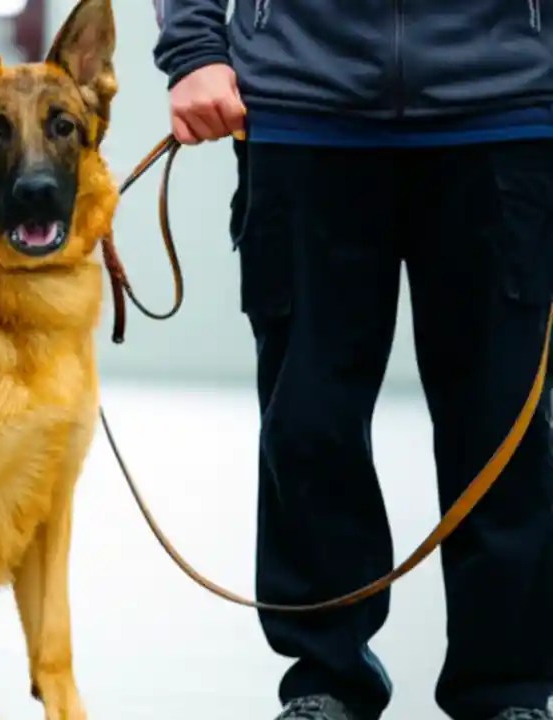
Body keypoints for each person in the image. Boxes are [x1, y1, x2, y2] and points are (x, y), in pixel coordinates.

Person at [150, 2, 553, 720]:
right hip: (304, 105)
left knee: (506, 432)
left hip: (504, 104)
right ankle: (324, 683)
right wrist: (194, 49)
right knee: (308, 427)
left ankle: (510, 692)